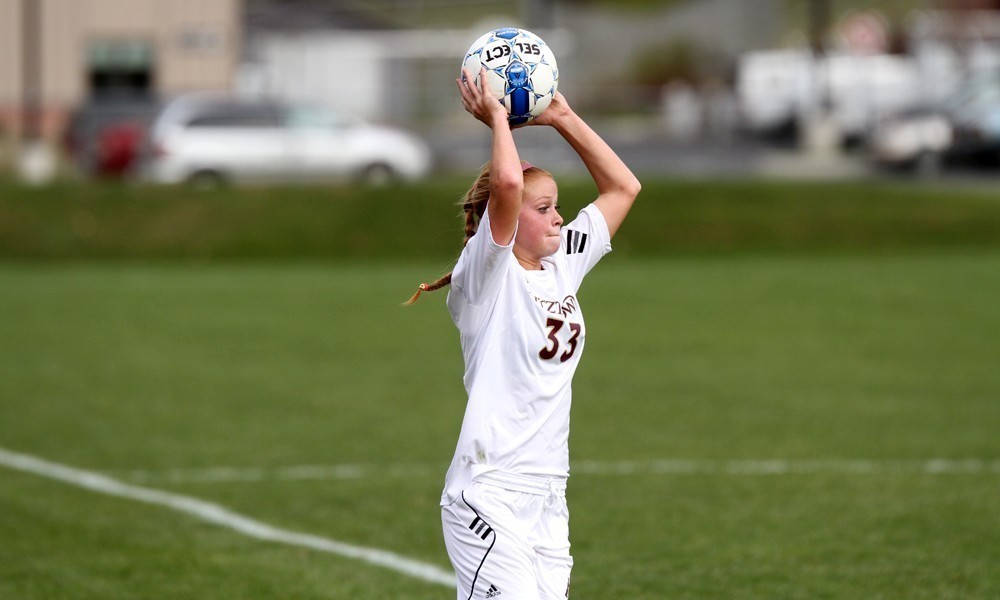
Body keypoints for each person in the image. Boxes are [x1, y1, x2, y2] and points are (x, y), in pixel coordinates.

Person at [407, 67, 641, 599]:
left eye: (558, 205)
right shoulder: (486, 274)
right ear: (507, 218)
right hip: (488, 492)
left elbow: (624, 187)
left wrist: (560, 115)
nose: (560, 218)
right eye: (545, 209)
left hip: (547, 495)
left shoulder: (562, 266)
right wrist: (498, 118)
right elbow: (508, 184)